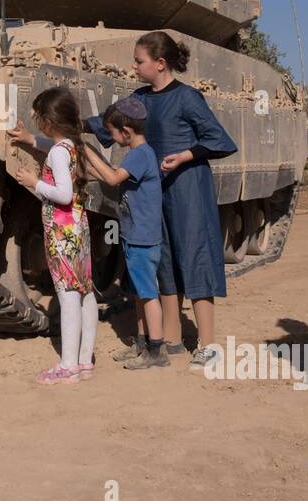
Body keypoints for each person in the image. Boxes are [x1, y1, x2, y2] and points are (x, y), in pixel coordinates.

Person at [95, 31, 237, 371]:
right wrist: (68, 125)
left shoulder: (188, 98)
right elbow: (109, 124)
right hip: (153, 192)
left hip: (188, 189)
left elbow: (219, 140)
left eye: (139, 61)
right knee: (163, 262)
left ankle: (207, 346)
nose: (134, 66)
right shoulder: (140, 99)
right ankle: (169, 340)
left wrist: (185, 155)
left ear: (160, 64)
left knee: (195, 257)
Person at [11, 87, 98, 385]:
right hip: (78, 226)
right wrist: (30, 140)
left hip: (61, 230)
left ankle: (67, 364)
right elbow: (54, 147)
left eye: (37, 117)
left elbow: (62, 194)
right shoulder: (73, 145)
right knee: (85, 290)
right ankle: (85, 360)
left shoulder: (60, 154)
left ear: (48, 120)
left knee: (67, 294)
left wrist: (35, 182)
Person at [80, 97, 169, 370]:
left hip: (142, 235)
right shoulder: (139, 152)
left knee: (148, 293)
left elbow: (112, 178)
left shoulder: (141, 154)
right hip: (135, 233)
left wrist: (87, 149)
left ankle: (157, 350)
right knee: (139, 293)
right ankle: (143, 344)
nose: (112, 137)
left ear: (126, 131)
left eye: (112, 132)